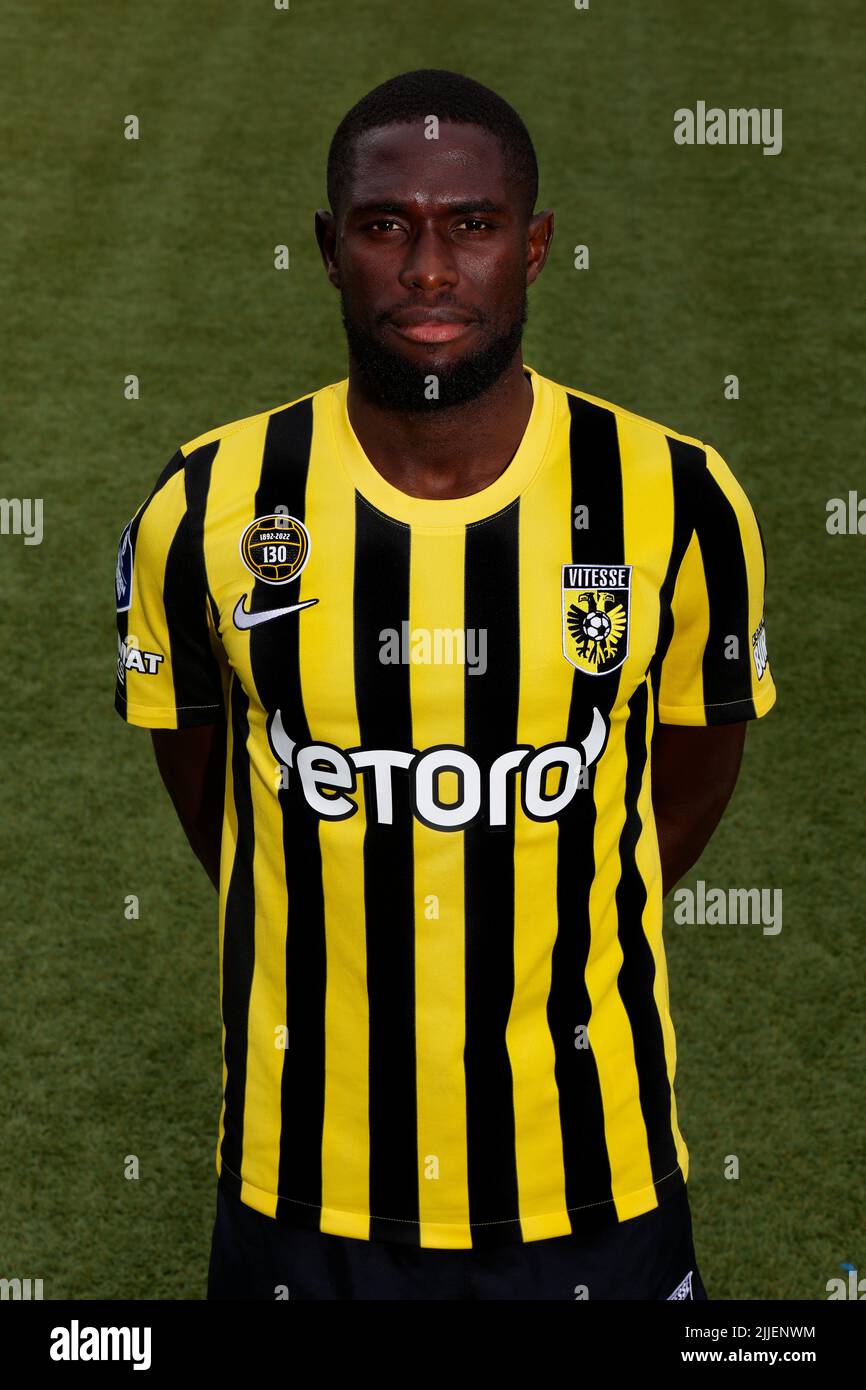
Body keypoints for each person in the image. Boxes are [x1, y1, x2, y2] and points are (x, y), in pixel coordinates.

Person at [113, 68, 776, 1301]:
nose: (427, 269)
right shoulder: (206, 503)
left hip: (591, 1180)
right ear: (327, 248)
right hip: (296, 1188)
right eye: (384, 227)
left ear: (531, 250)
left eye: (469, 225)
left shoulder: (677, 500)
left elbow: (674, 795)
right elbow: (219, 804)